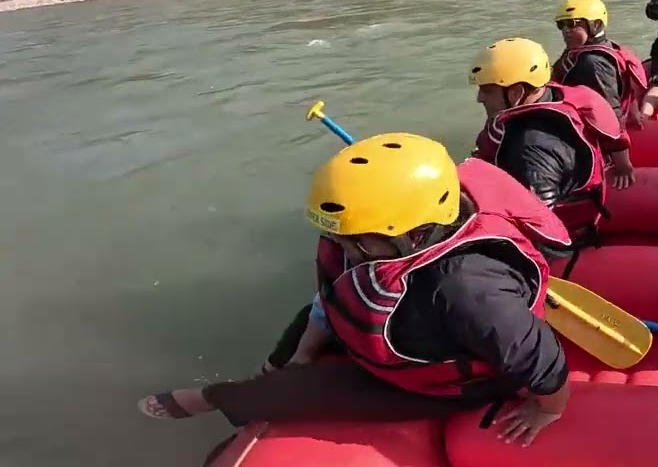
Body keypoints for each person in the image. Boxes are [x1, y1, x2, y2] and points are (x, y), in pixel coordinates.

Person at [138, 133, 574, 448]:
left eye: (356, 240)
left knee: (305, 394)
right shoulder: (369, 245)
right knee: (304, 325)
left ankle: (214, 398)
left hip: (448, 382)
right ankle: (276, 370)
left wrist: (548, 409)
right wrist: (304, 352)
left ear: (416, 232)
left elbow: (542, 358)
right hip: (403, 319)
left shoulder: (467, 289)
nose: (342, 248)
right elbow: (331, 299)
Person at [470, 37, 635, 245]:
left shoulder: (531, 148)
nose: (479, 98)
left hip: (567, 242)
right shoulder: (554, 95)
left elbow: (536, 227)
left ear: (516, 93)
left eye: (487, 91)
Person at [551, 0, 648, 129]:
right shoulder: (584, 52)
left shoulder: (594, 64)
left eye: (573, 24)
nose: (565, 30)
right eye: (561, 25)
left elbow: (611, 111)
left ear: (596, 25)